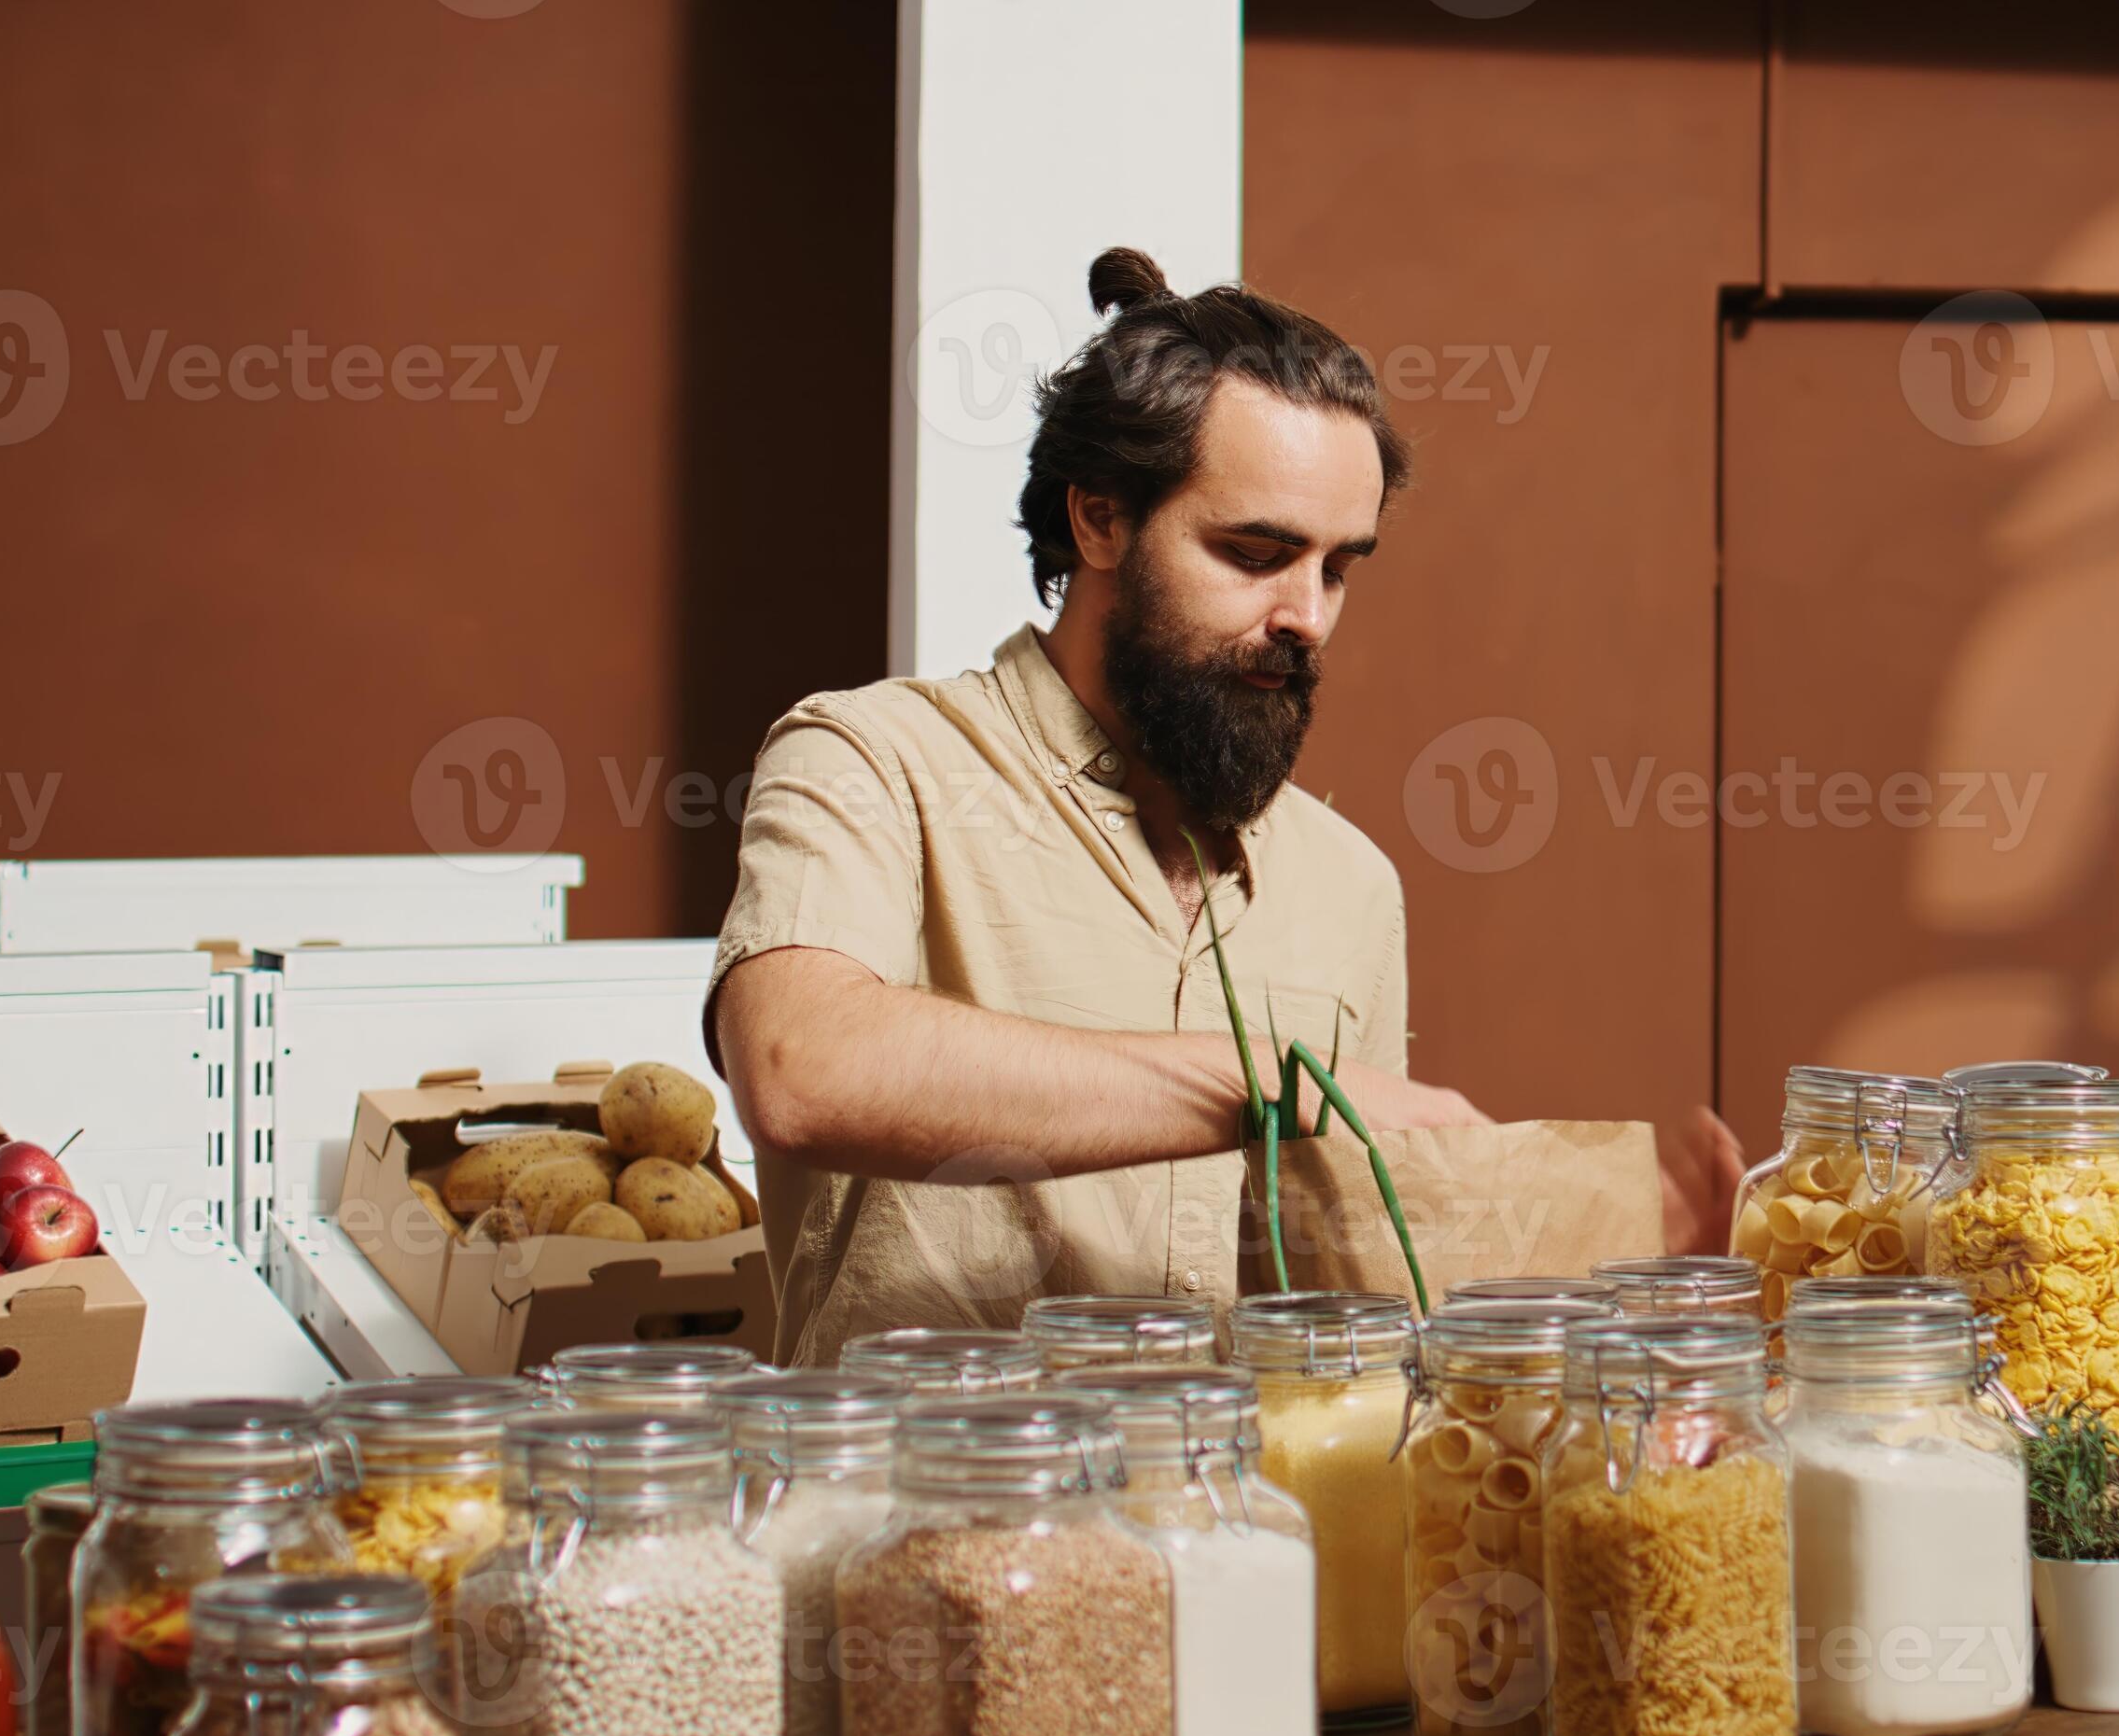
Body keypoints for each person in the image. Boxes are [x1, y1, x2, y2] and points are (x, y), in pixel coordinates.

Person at [711, 246, 1735, 1363]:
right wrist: (1273, 1086)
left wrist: (1604, 1272)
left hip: (1249, 1480)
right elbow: (800, 1069)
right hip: (936, 1474)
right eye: (1255, 553)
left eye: (1337, 568)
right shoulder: (871, 760)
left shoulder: (1350, 885)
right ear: (1100, 520)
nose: (1308, 616)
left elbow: (1354, 1287)